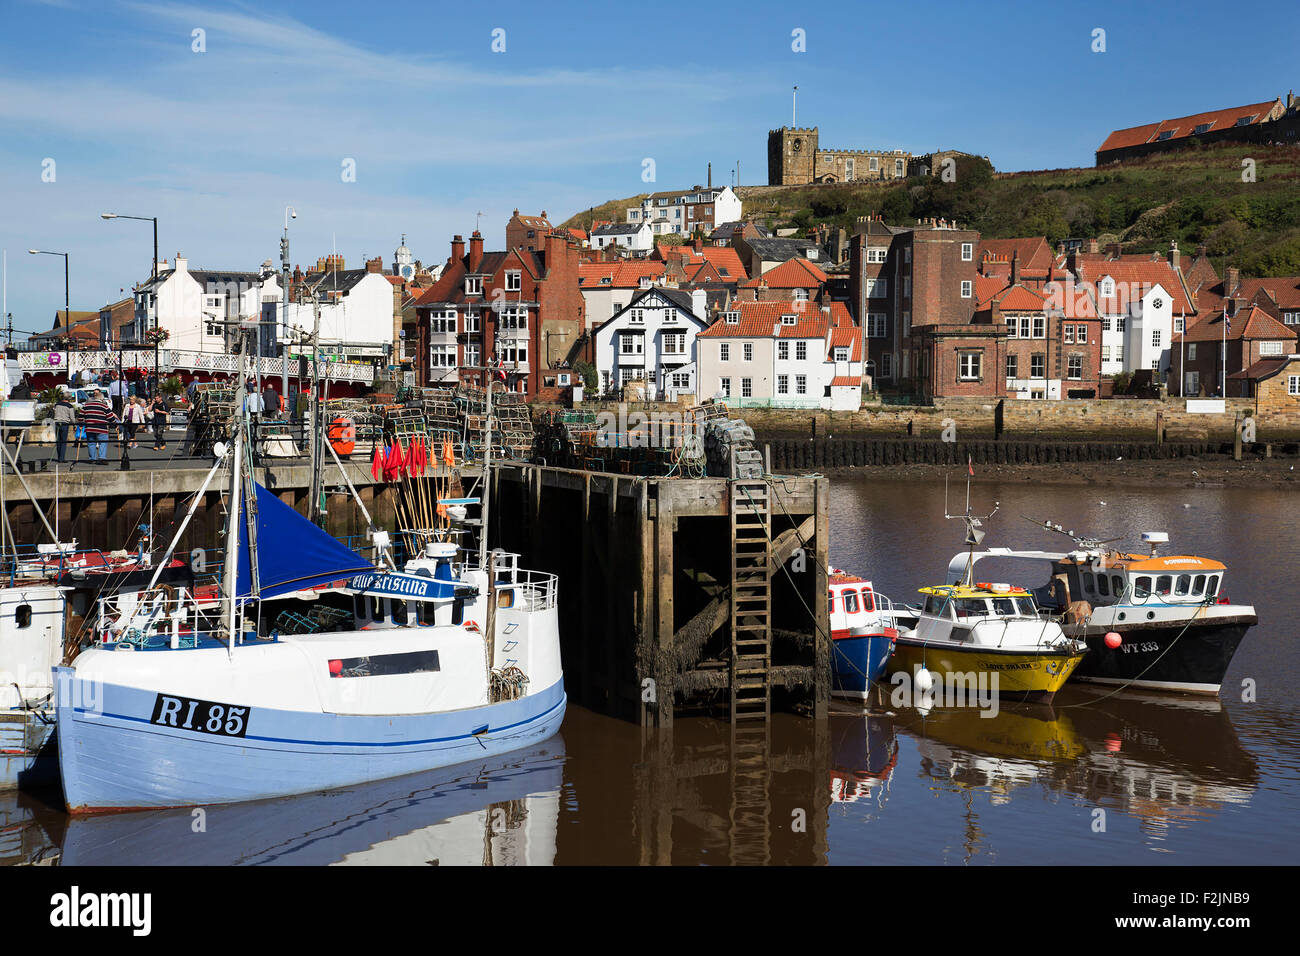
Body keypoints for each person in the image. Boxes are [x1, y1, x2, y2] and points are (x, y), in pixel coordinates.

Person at [80, 389, 115, 465]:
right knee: (103, 442)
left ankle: (92, 459)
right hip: (101, 428)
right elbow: (111, 418)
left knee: (91, 443)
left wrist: (81, 423)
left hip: (90, 428)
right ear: (101, 399)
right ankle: (102, 458)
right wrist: (115, 424)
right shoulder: (104, 406)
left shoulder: (86, 405)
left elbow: (80, 417)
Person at [51, 388, 76, 464]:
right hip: (65, 423)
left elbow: (53, 412)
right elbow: (72, 417)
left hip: (57, 422)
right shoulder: (70, 406)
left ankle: (59, 457)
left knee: (58, 441)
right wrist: (74, 424)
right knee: (63, 441)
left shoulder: (57, 404)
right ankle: (62, 458)